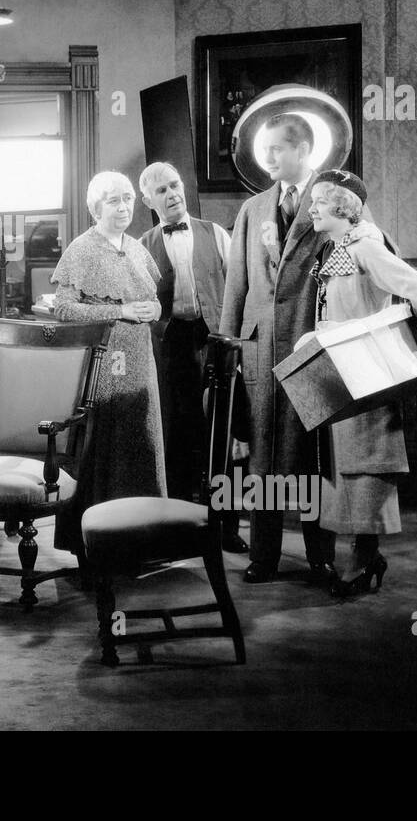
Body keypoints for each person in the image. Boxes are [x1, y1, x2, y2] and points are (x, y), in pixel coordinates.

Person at [305, 170, 417, 595]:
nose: (311, 208)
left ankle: (363, 558)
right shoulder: (339, 247)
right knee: (347, 465)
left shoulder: (367, 246)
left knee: (367, 464)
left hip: (368, 372)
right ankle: (365, 555)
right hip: (343, 372)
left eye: (318, 201)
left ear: (342, 206)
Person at [220, 113, 338, 585]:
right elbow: (236, 285)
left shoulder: (335, 201)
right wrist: (230, 345)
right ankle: (264, 556)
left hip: (311, 344)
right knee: (262, 455)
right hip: (259, 350)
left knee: (314, 455)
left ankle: (320, 557)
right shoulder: (252, 209)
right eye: (263, 148)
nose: (266, 157)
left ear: (304, 151)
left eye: (276, 149)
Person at [51, 170, 167, 553]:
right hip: (107, 364)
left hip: (140, 362)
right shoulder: (81, 249)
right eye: (113, 200)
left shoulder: (137, 248)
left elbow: (153, 299)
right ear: (95, 207)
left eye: (128, 198)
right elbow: (64, 309)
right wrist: (121, 311)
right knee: (107, 444)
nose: (123, 207)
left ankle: (143, 542)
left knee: (142, 441)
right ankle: (98, 545)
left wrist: (151, 308)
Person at [138, 161, 247, 553]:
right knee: (176, 436)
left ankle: (227, 527)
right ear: (148, 200)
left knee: (224, 434)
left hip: (215, 340)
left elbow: (240, 289)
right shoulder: (141, 248)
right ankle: (183, 528)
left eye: (175, 186)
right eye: (162, 191)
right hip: (168, 346)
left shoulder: (216, 233)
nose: (172, 195)